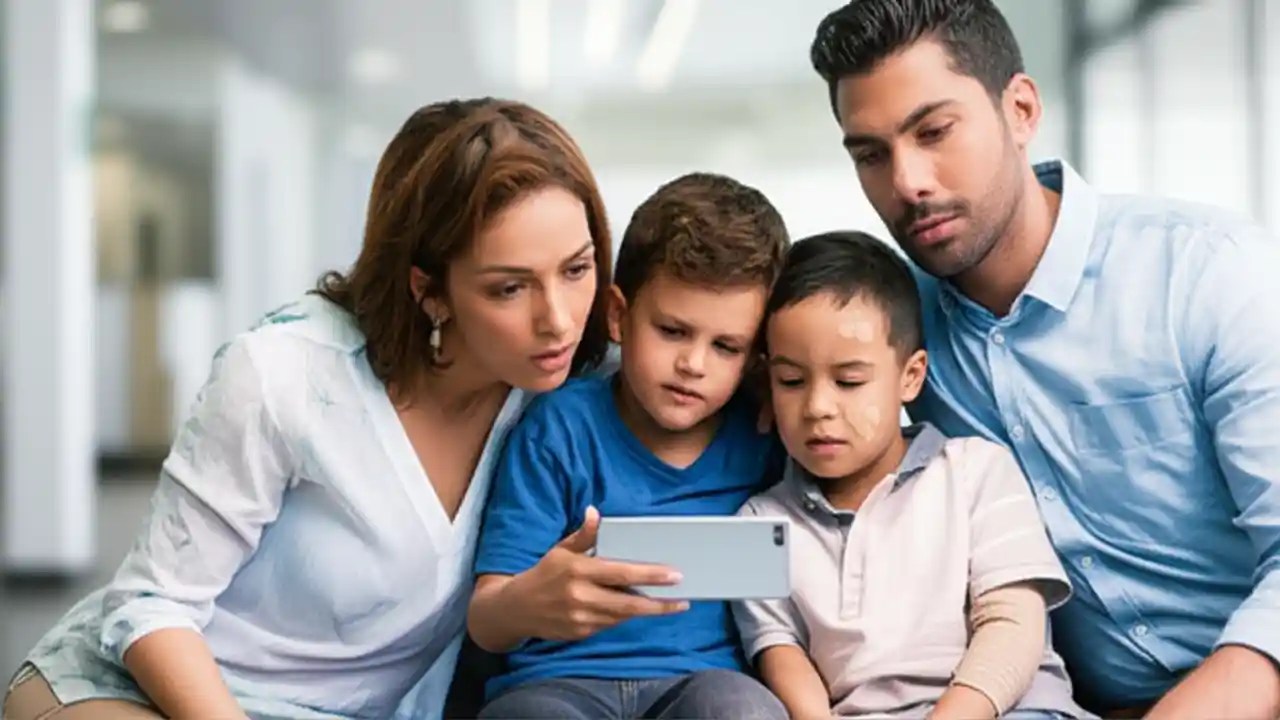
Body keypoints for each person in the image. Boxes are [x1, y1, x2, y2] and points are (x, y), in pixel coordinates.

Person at [3, 98, 615, 720]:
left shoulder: (562, 389)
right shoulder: (282, 375)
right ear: (428, 290)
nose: (559, 319)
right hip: (147, 693)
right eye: (509, 288)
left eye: (577, 269)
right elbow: (152, 605)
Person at [809, 1, 1280, 717]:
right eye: (871, 154)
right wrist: (588, 574)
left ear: (1021, 109)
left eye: (934, 131)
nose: (907, 181)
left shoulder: (1208, 275)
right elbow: (736, 486)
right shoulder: (887, 336)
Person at [465, 172, 791, 720]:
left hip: (705, 683)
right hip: (557, 685)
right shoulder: (559, 428)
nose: (693, 365)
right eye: (672, 331)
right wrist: (531, 601)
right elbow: (486, 620)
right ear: (619, 315)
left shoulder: (764, 436)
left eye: (726, 347)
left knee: (745, 711)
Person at [734, 231, 1089, 720]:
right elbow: (780, 650)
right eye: (791, 381)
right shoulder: (758, 523)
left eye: (849, 381)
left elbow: (1012, 624)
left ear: (911, 376)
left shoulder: (975, 472)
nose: (817, 407)